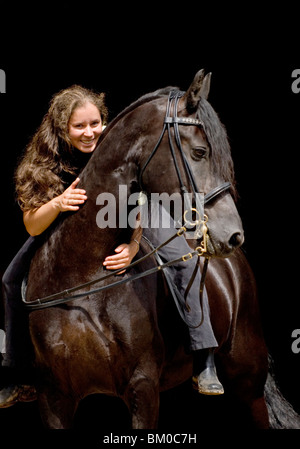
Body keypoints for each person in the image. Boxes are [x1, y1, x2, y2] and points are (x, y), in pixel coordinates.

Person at [0, 85, 223, 408]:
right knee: (9, 279)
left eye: (95, 123)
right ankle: (17, 373)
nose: (90, 133)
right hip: (63, 225)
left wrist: (134, 246)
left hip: (130, 212)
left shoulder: (117, 144)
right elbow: (33, 224)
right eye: (79, 126)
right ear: (63, 128)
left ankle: (204, 357)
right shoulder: (44, 161)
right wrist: (59, 203)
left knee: (184, 261)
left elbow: (143, 197)